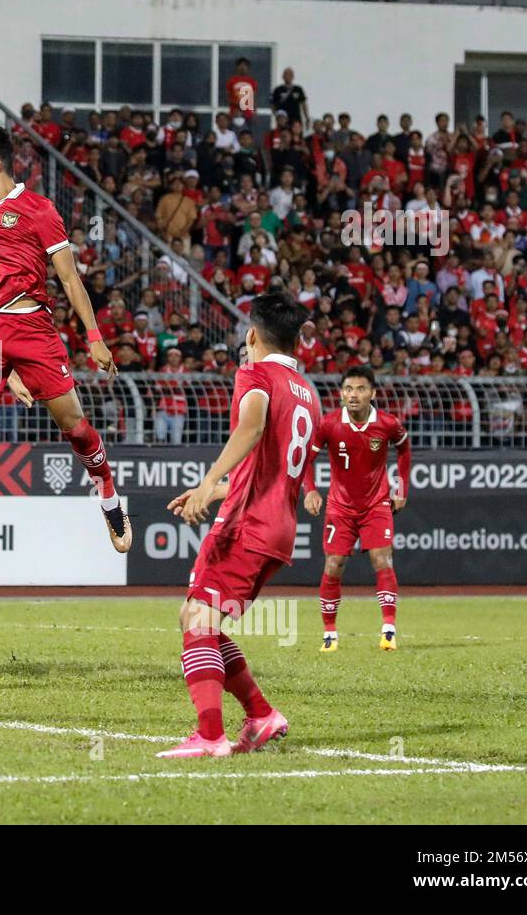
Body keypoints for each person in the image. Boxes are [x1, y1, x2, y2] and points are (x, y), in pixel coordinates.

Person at [0, 123, 132, 586]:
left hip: (34, 329)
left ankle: (109, 499)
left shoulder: (39, 210)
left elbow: (71, 279)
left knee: (75, 427)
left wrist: (94, 335)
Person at [160, 292, 321, 759]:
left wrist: (210, 478)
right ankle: (261, 714)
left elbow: (249, 430)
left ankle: (210, 736)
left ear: (252, 335)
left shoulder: (255, 373)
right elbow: (268, 469)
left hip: (247, 524)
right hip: (278, 527)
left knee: (197, 621)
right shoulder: (307, 391)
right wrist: (210, 490)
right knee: (201, 621)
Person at [304, 365, 411, 652]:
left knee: (382, 559)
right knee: (334, 565)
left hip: (376, 504)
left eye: (361, 389)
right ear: (341, 393)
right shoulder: (328, 424)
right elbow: (306, 460)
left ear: (372, 393)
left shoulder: (387, 424)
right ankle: (329, 634)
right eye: (348, 389)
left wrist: (401, 488)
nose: (354, 395)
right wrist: (310, 489)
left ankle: (388, 630)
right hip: (340, 508)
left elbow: (404, 450)